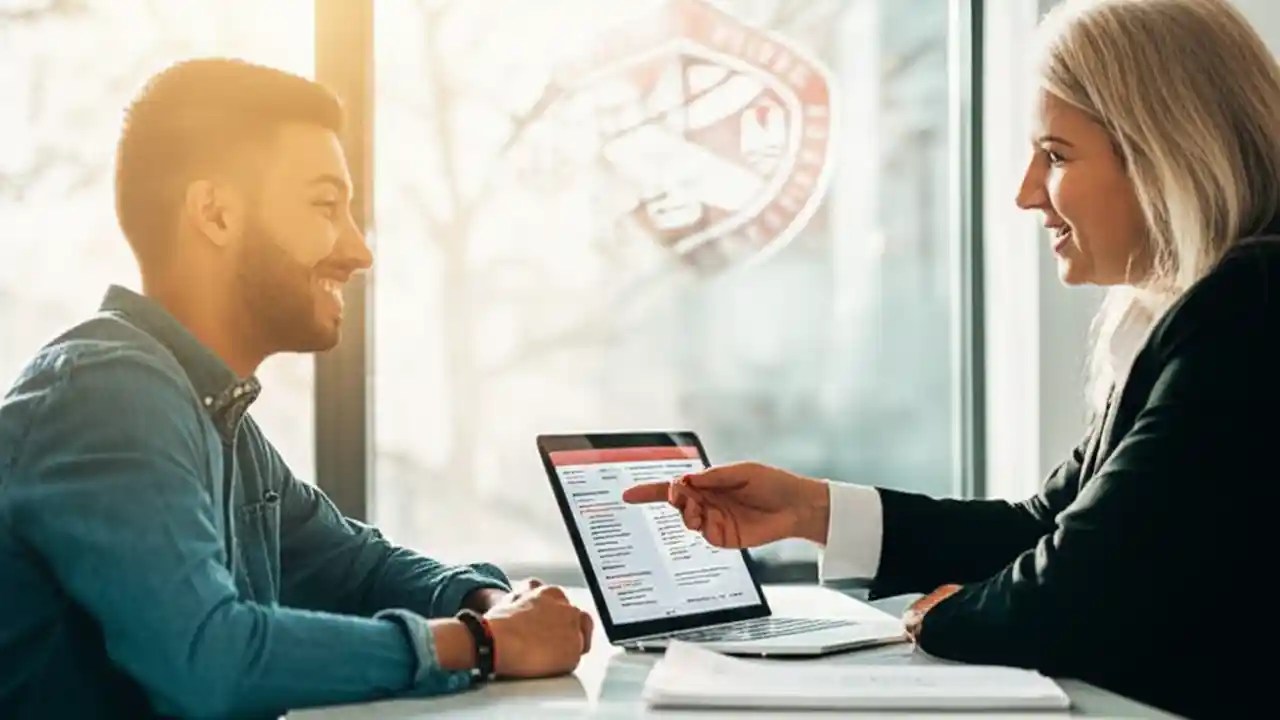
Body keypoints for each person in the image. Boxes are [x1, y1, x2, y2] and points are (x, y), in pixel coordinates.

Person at [624, 0, 1280, 717]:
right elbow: (1045, 527)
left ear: (1169, 150)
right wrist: (809, 510)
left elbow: (1068, 593)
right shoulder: (1220, 307)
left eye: (1056, 156)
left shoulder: (1248, 310)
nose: (1027, 192)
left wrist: (947, 617)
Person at [0, 59, 593, 720]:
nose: (359, 251)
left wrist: (489, 603)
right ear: (216, 214)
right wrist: (484, 644)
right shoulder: (105, 396)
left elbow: (359, 570)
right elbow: (211, 661)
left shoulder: (212, 415)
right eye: (325, 207)